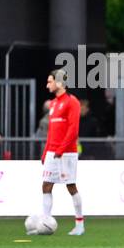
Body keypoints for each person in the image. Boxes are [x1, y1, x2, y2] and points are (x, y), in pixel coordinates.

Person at [40, 69, 85, 236]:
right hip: (52, 152)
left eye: (50, 81)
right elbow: (52, 131)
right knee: (46, 185)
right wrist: (46, 152)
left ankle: (80, 224)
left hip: (66, 153)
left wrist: (60, 149)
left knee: (71, 186)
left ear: (59, 83)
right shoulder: (53, 104)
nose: (47, 85)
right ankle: (45, 221)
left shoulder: (72, 102)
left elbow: (73, 130)